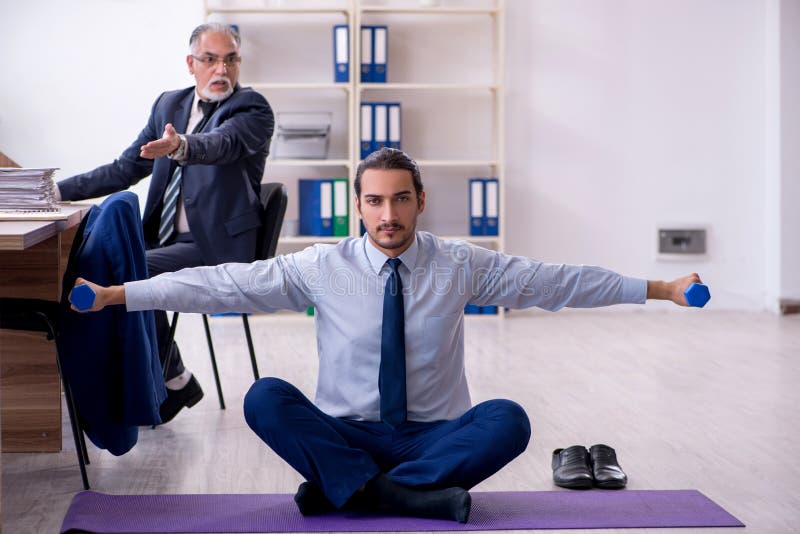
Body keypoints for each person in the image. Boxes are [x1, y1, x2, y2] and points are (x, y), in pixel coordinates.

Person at [72, 147, 704, 523]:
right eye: (375, 202)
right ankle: (409, 499)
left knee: (508, 418)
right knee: (265, 397)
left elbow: (554, 282)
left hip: (435, 436)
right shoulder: (323, 267)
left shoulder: (460, 264)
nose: (389, 215)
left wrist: (660, 290)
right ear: (359, 207)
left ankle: (352, 489)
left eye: (401, 200)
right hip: (351, 430)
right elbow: (221, 284)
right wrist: (118, 295)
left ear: (420, 202)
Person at [57, 22, 274, 423]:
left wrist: (181, 145)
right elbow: (125, 168)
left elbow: (221, 145)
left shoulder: (252, 109)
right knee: (95, 264)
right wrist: (55, 191)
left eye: (230, 60)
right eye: (210, 60)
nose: (221, 70)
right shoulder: (168, 105)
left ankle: (157, 385)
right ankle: (170, 378)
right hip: (163, 240)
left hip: (216, 246)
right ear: (191, 64)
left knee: (129, 275)